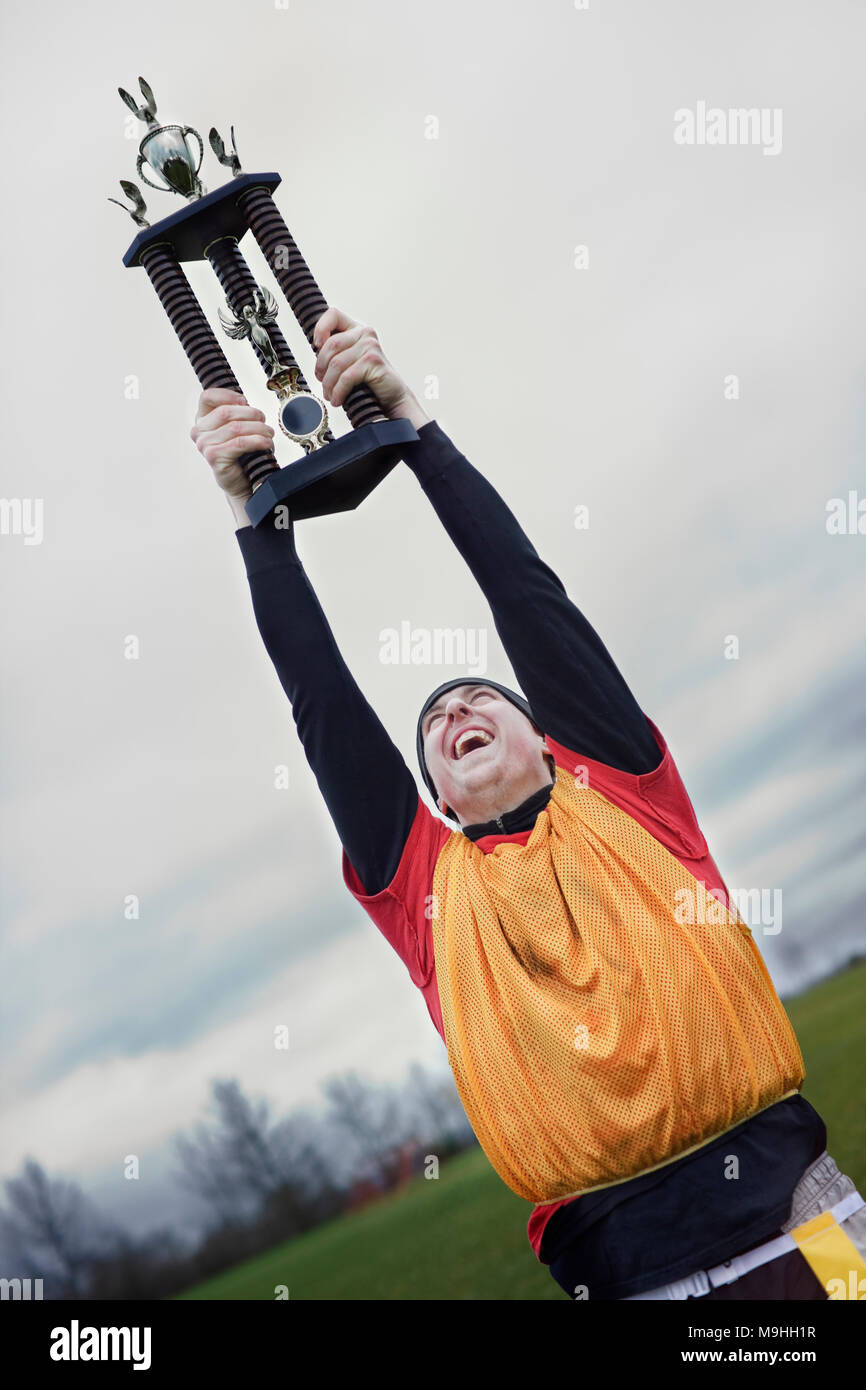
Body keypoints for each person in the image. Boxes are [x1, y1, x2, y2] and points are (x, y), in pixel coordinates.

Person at [189, 306, 866, 1301]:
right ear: (433, 800)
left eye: (482, 697)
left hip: (807, 1237)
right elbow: (323, 705)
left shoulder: (624, 792)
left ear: (548, 735)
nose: (455, 704)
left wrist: (414, 430)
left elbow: (526, 597)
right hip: (629, 1282)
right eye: (433, 725)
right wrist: (257, 522)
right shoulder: (425, 888)